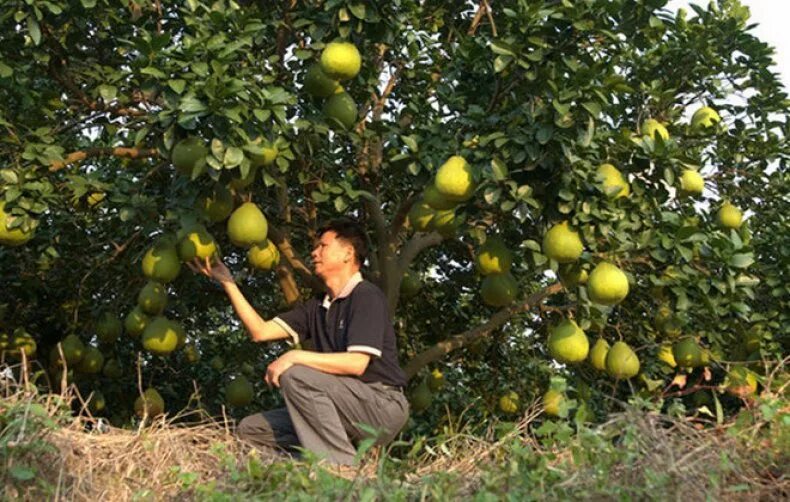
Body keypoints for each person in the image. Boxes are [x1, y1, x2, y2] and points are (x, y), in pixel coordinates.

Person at [190, 218, 409, 466]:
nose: (314, 253)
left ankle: (343, 472)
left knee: (296, 375)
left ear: (348, 253)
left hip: (381, 405)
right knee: (250, 431)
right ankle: (308, 469)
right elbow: (260, 331)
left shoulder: (365, 296)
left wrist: (293, 356)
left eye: (323, 246)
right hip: (339, 404)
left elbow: (356, 363)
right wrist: (227, 281)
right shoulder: (317, 307)